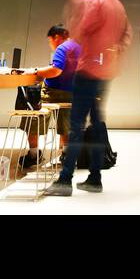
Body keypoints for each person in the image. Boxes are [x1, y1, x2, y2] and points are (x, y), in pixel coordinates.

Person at [46, 0, 131, 197]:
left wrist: (80, 42)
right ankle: (94, 177)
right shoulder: (118, 5)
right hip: (106, 73)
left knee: (76, 127)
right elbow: (127, 35)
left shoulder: (94, 0)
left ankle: (64, 180)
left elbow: (81, 30)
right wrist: (113, 52)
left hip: (88, 71)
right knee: (96, 124)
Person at [17, 24, 82, 170]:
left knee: (32, 113)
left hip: (53, 92)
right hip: (72, 93)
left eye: (50, 41)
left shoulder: (63, 47)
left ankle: (34, 154)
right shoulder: (78, 47)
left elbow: (56, 70)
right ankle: (67, 155)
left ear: (56, 37)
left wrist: (35, 71)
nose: (50, 44)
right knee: (66, 124)